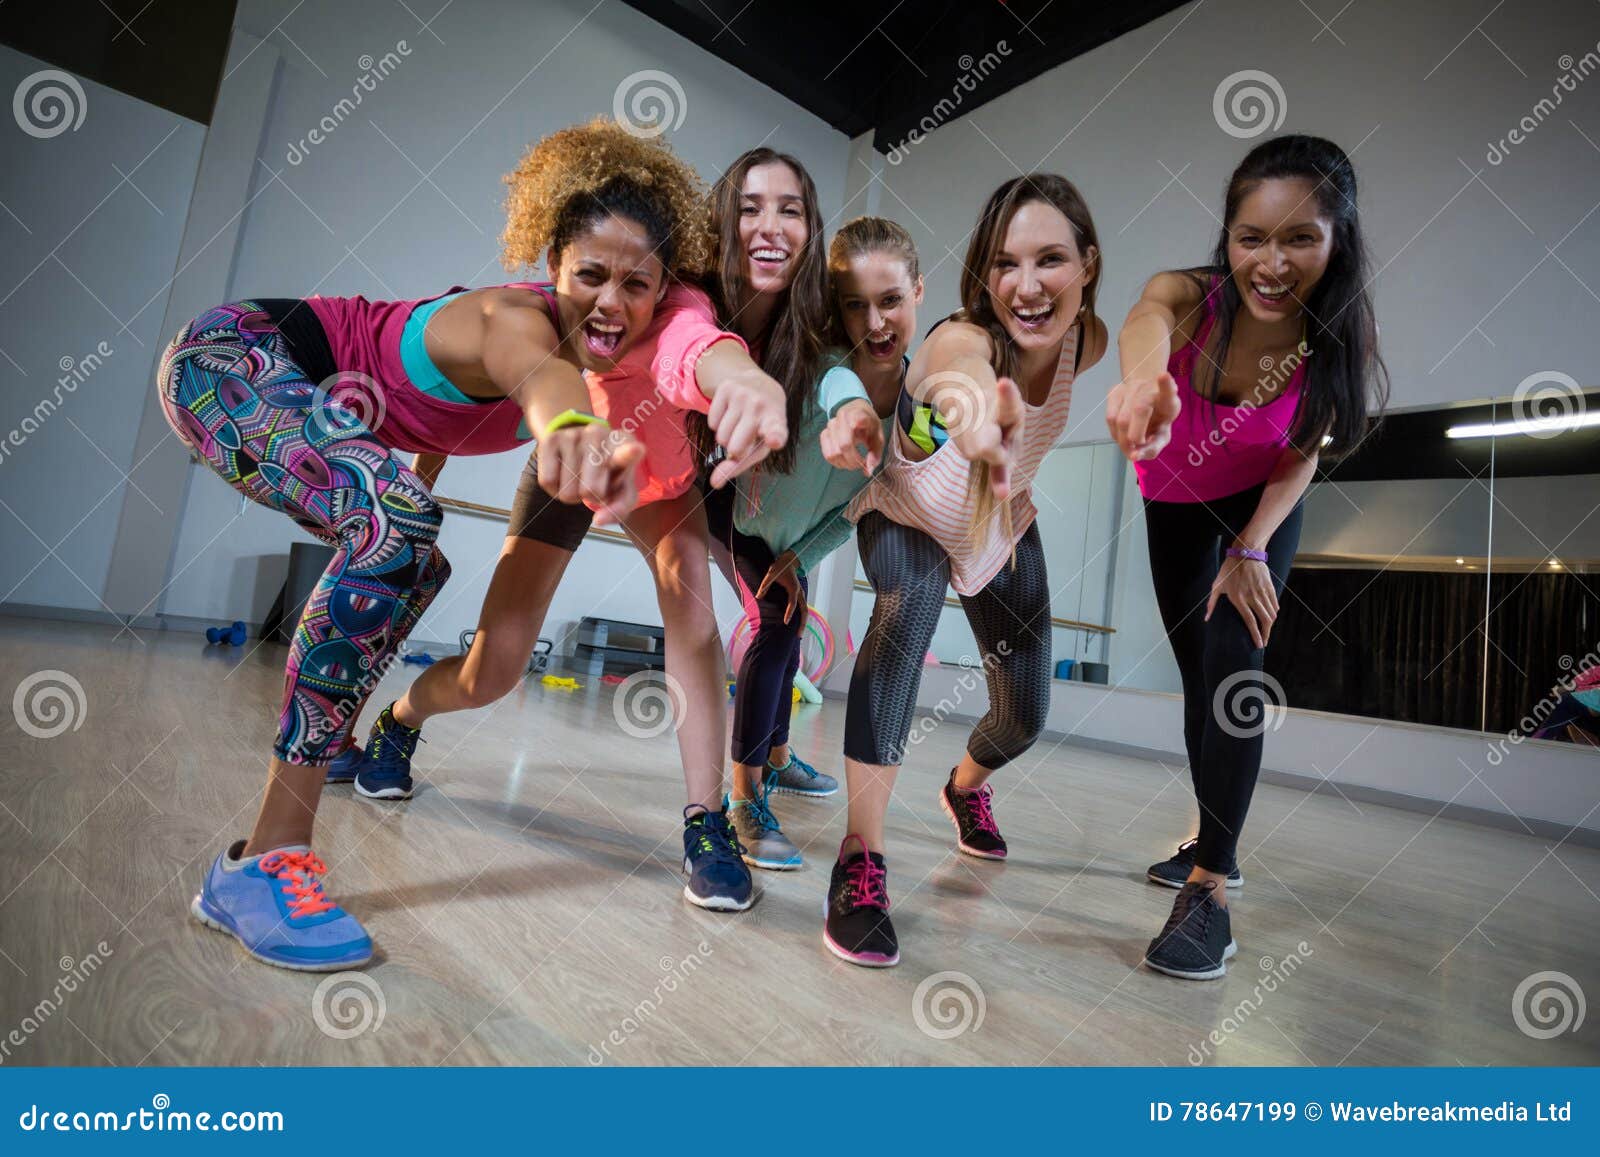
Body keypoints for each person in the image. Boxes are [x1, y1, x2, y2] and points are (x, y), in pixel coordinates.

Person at [329, 119, 790, 917]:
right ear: (554, 268)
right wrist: (428, 463)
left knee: (694, 617)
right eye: (591, 276)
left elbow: (700, 350)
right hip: (566, 471)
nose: (611, 304)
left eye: (637, 285)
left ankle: (705, 820)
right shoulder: (536, 315)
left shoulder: (678, 313)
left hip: (658, 482)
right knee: (495, 667)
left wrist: (744, 381)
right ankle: (401, 719)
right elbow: (478, 378)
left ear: (663, 285)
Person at [1105, 134, 1388, 980]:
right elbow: (1145, 320)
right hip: (1173, 501)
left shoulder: (1333, 333)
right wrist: (1143, 382)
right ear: (1226, 238)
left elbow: (1306, 446)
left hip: (1258, 503)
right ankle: (1209, 833)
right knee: (1198, 679)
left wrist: (1253, 545)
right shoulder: (1189, 297)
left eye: (1301, 238)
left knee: (1234, 665)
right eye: (1251, 238)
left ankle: (1210, 891)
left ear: (1337, 241)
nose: (1272, 262)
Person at [818, 175, 1106, 966]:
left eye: (1050, 260)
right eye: (1005, 263)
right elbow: (958, 372)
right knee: (909, 602)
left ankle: (964, 786)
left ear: (1087, 264)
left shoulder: (1089, 341)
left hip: (998, 523)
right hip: (907, 510)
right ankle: (860, 856)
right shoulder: (960, 338)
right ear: (983, 274)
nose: (1026, 285)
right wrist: (976, 413)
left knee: (1024, 716)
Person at [715, 216, 923, 871]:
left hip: (789, 541)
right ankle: (743, 798)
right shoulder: (827, 367)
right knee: (776, 626)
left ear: (918, 292)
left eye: (890, 300)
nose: (875, 323)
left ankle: (778, 756)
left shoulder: (916, 406)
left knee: (793, 620)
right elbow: (843, 393)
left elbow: (859, 504)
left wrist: (798, 559)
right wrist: (851, 412)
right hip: (734, 516)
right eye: (855, 305)